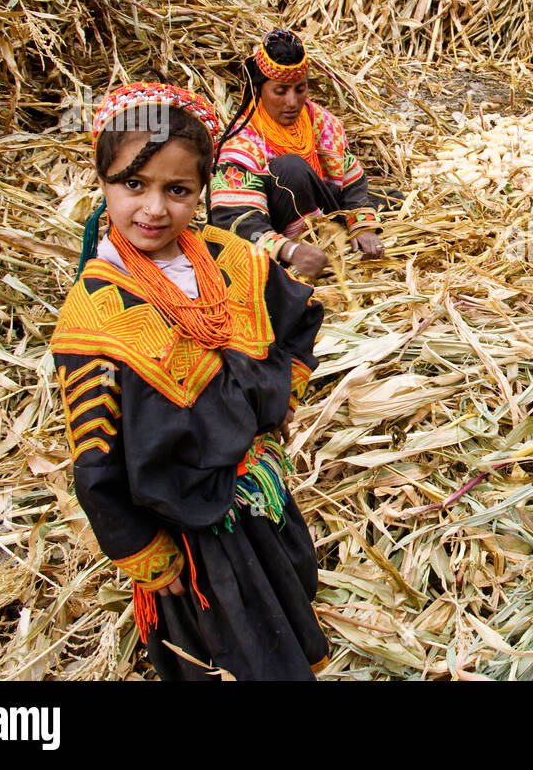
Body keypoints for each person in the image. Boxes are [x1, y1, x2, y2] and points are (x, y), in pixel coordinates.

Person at [52, 82, 330, 679]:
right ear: (101, 182)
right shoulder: (97, 314)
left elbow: (300, 316)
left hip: (257, 488)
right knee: (233, 646)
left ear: (202, 191)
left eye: (176, 190)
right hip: (191, 534)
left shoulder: (227, 259)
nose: (154, 209)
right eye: (134, 184)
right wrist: (145, 555)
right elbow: (95, 459)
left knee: (283, 597)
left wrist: (285, 397)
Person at [211, 29, 397, 277]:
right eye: (280, 91)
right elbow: (236, 217)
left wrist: (361, 226)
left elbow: (351, 181)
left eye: (300, 89)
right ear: (259, 90)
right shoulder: (243, 142)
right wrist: (289, 250)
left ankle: (331, 240)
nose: (292, 102)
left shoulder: (319, 121)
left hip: (323, 216)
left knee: (392, 199)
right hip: (274, 235)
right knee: (291, 169)